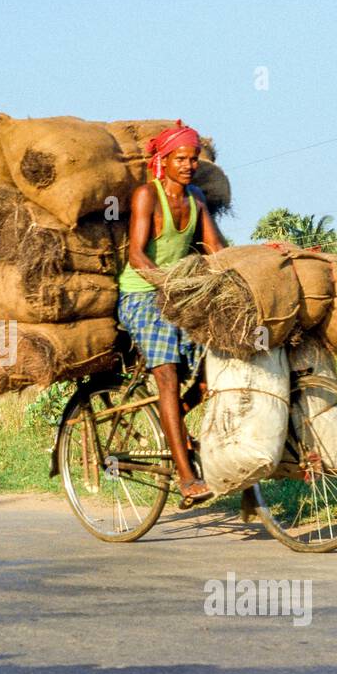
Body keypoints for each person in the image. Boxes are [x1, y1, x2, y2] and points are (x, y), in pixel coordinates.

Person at [117, 119, 227, 502]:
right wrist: (167, 284)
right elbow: (135, 255)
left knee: (211, 374)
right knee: (167, 374)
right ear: (163, 160)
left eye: (193, 158)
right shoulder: (147, 196)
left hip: (179, 294)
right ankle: (186, 477)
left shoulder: (196, 197)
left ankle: (174, 420)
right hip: (142, 295)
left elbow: (214, 247)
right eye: (180, 158)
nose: (188, 165)